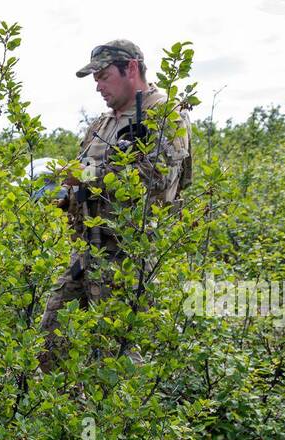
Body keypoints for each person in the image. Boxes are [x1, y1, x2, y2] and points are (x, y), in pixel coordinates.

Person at [38, 39, 192, 369]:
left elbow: (155, 179)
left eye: (103, 76)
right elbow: (84, 178)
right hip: (85, 254)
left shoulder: (163, 115)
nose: (98, 86)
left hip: (125, 258)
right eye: (95, 79)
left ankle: (116, 420)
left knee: (116, 361)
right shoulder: (103, 124)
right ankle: (70, 417)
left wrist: (85, 175)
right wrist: (64, 195)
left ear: (131, 68)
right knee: (49, 345)